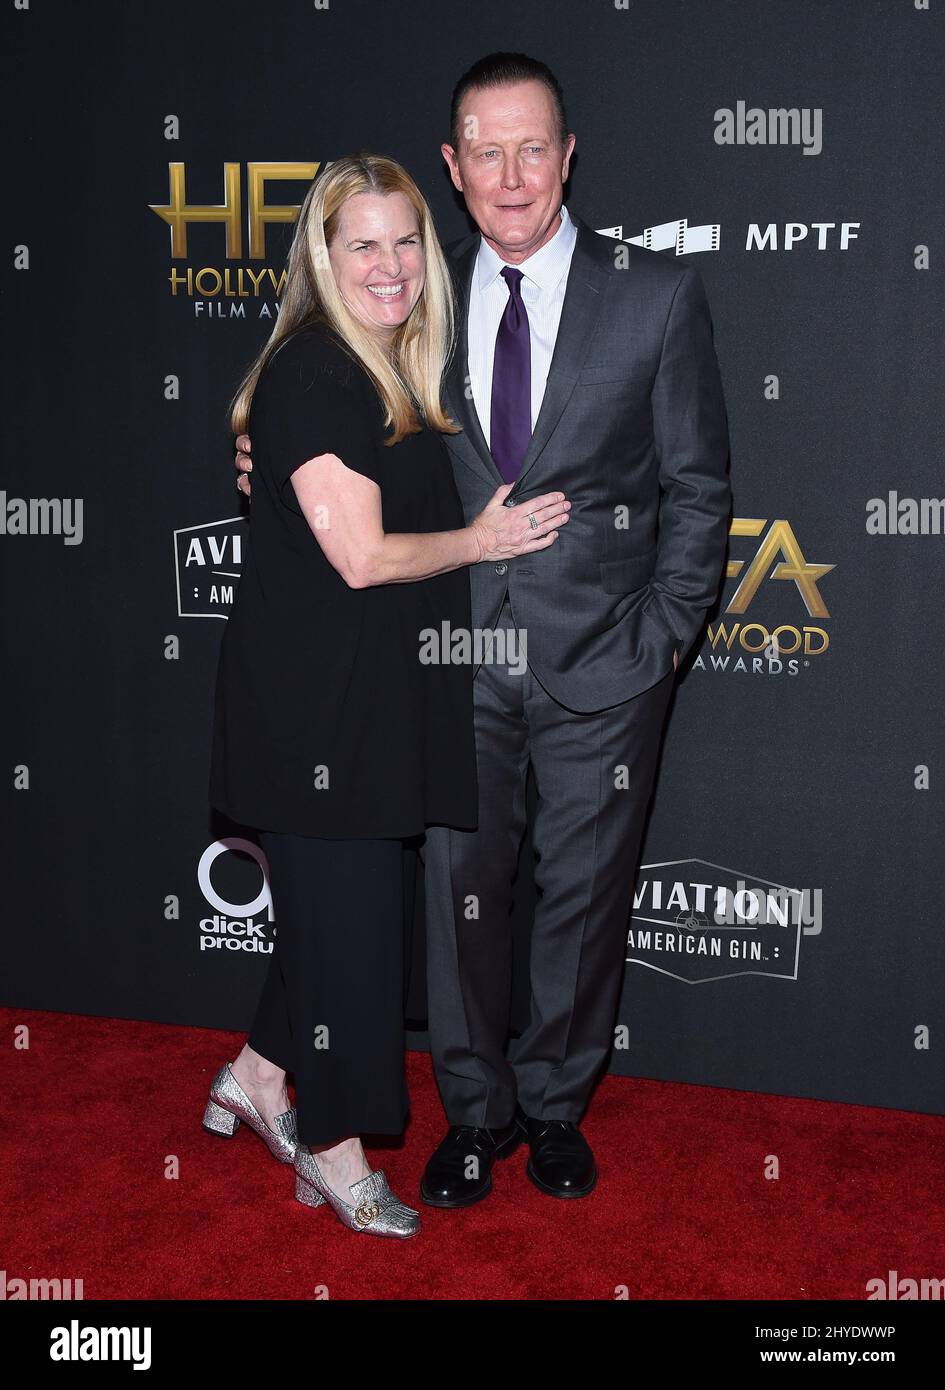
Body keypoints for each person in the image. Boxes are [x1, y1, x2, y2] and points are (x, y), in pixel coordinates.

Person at [237, 51, 732, 1210]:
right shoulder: (413, 297)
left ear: (568, 157)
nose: (512, 176)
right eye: (485, 151)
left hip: (606, 659)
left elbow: (700, 486)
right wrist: (264, 446)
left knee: (582, 896)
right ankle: (474, 1113)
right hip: (450, 659)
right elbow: (331, 419)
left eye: (534, 148)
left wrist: (663, 637)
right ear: (453, 169)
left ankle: (554, 1106)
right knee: (461, 899)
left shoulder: (655, 295)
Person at [207, 152, 570, 1238]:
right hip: (316, 710)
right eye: (362, 242)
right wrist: (486, 537)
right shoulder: (319, 370)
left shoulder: (392, 366)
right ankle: (331, 1149)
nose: (391, 263)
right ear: (321, 254)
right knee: (352, 932)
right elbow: (361, 557)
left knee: (340, 920)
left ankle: (256, 1075)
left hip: (370, 702)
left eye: (407, 240)